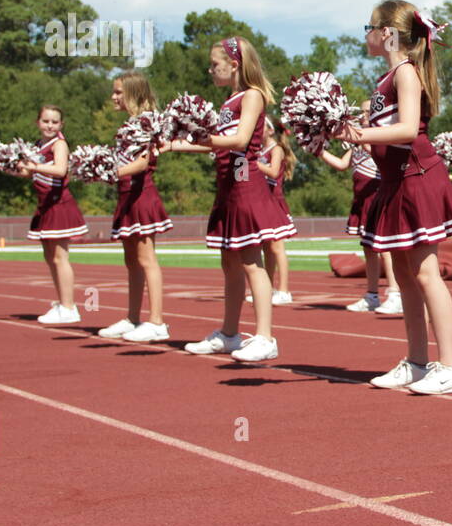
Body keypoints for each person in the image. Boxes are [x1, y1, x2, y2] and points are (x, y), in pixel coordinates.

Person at [337, 1, 452, 394]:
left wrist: (355, 135)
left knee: (427, 273)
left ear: (388, 33)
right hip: (393, 182)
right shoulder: (386, 77)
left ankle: (451, 366)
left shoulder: (406, 73)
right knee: (406, 277)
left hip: (418, 178)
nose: (366, 33)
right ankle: (415, 361)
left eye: (370, 26)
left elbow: (409, 129)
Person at [173, 36, 294, 362]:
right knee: (230, 263)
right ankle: (229, 333)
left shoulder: (252, 96)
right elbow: (215, 143)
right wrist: (173, 144)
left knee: (251, 261)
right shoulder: (229, 100)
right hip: (227, 185)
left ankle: (265, 337)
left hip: (246, 183)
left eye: (215, 64)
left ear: (235, 64)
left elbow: (240, 139)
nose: (210, 70)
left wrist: (203, 136)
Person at [97, 72, 172, 342]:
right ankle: (132, 317)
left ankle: (157, 321)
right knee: (131, 260)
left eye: (119, 92)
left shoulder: (146, 121)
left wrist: (111, 172)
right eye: (114, 92)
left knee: (146, 258)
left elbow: (142, 163)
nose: (114, 97)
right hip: (126, 194)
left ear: (134, 94)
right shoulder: (130, 123)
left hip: (141, 195)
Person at [16, 105, 87, 324]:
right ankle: (62, 303)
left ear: (61, 125)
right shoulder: (37, 145)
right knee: (50, 258)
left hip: (59, 205)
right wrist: (18, 166)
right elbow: (28, 173)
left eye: (54, 122)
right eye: (46, 121)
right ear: (38, 122)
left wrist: (34, 165)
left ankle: (69, 307)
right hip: (44, 205)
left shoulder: (59, 144)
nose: (50, 125)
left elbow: (60, 169)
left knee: (60, 257)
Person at [320, 141, 403, 314]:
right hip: (362, 199)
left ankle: (395, 294)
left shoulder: (379, 136)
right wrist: (319, 151)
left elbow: (388, 161)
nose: (363, 116)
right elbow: (342, 164)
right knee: (368, 247)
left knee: (384, 248)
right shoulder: (357, 142)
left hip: (377, 195)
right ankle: (372, 295)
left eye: (367, 112)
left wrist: (366, 143)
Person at [250, 115, 297, 306]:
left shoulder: (275, 149)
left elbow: (273, 171)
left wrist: (252, 163)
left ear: (270, 130)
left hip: (274, 202)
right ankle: (266, 289)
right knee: (266, 248)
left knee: (277, 248)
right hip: (261, 202)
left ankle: (284, 290)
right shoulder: (254, 151)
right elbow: (243, 176)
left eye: (259, 127)